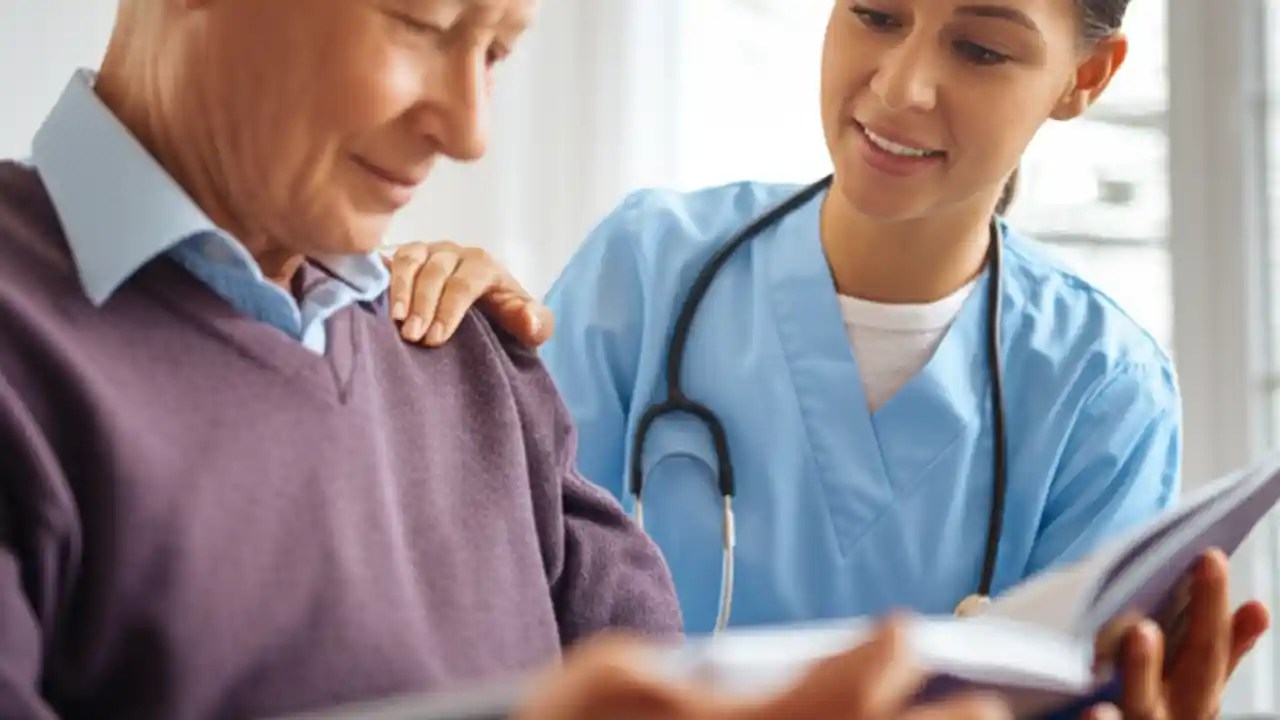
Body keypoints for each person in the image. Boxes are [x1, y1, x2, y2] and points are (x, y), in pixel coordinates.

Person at [0, 0, 1077, 718]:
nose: (469, 130)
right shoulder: (28, 347)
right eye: (422, 22)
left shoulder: (474, 360)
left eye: (499, 50)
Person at [385, 0, 1185, 630]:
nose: (903, 86)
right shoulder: (646, 268)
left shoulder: (1105, 389)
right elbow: (488, 594)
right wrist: (440, 362)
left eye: (979, 49)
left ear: (1086, 76)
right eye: (876, 15)